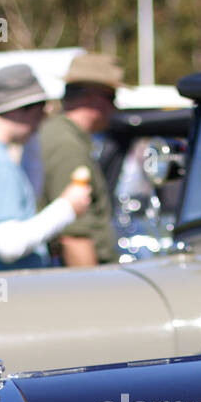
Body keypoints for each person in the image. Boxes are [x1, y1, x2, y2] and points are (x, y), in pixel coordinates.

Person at [0, 64, 91, 275]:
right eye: (39, 112)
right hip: (13, 295)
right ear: (20, 108)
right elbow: (9, 245)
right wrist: (68, 207)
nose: (40, 123)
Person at [40, 52, 124, 266]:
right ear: (92, 97)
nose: (115, 108)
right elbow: (75, 237)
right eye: (111, 97)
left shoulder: (65, 136)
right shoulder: (67, 145)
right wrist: (93, 293)